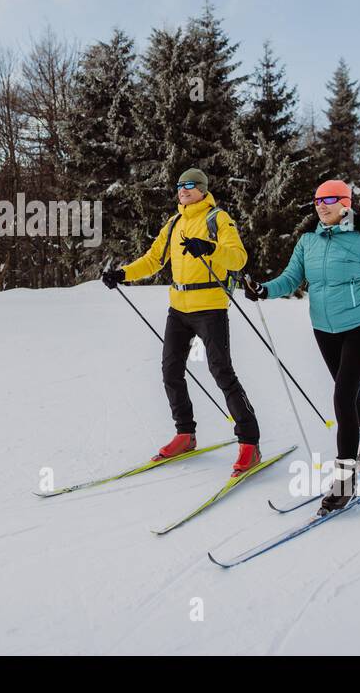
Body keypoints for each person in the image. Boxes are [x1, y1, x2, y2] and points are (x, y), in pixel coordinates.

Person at [242, 179, 360, 514]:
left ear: (346, 203)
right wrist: (263, 289)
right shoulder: (308, 241)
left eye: (330, 199)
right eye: (317, 200)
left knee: (343, 395)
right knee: (348, 388)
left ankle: (344, 480)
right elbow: (290, 278)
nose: (322, 205)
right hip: (324, 329)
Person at [101, 168, 263, 477]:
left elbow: (239, 258)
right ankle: (185, 434)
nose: (183, 190)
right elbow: (153, 259)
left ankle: (249, 442)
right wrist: (122, 274)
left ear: (202, 189)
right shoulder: (174, 223)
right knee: (170, 371)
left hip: (210, 307)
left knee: (221, 372)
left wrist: (211, 248)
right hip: (178, 308)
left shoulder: (218, 219)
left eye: (189, 185)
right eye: (179, 186)